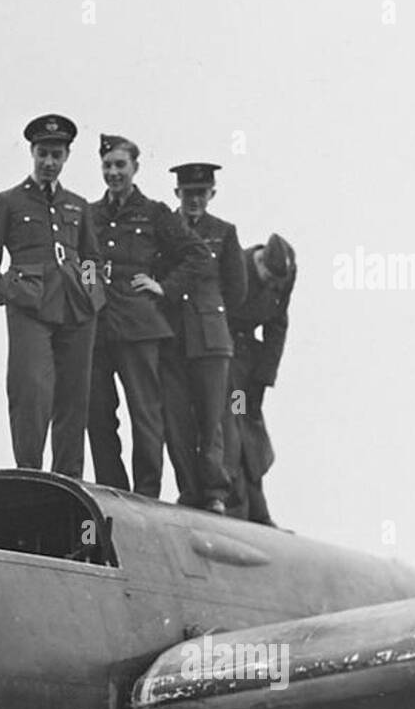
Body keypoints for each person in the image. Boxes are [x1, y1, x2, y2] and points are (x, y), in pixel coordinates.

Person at [0, 114, 105, 478]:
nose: (49, 162)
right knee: (31, 392)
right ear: (31, 152)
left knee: (74, 397)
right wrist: (12, 293)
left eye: (57, 155)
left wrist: (92, 293)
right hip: (30, 309)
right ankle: (30, 474)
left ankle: (69, 479)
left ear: (67, 157)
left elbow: (92, 256)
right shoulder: (8, 202)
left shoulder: (79, 206)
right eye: (43, 153)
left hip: (77, 310)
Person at [87, 135, 216, 498]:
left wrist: (165, 287)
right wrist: (88, 285)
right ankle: (112, 488)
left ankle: (146, 491)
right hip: (97, 327)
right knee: (97, 414)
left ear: (135, 168)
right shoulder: (91, 214)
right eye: (108, 165)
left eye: (120, 165)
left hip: (140, 327)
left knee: (145, 413)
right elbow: (82, 261)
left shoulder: (155, 213)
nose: (113, 172)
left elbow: (198, 256)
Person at [160, 163, 247, 513]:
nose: (194, 199)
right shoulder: (166, 228)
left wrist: (211, 314)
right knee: (176, 418)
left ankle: (215, 491)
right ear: (177, 194)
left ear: (211, 194)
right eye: (187, 192)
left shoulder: (224, 233)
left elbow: (236, 290)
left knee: (213, 418)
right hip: (173, 336)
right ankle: (189, 489)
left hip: (211, 339)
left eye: (201, 192)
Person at [224, 233, 296, 525]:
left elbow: (278, 324)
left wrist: (263, 378)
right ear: (260, 261)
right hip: (225, 356)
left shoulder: (284, 276)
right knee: (234, 427)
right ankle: (237, 504)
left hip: (249, 365)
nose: (272, 287)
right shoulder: (235, 266)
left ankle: (257, 505)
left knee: (250, 431)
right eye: (268, 279)